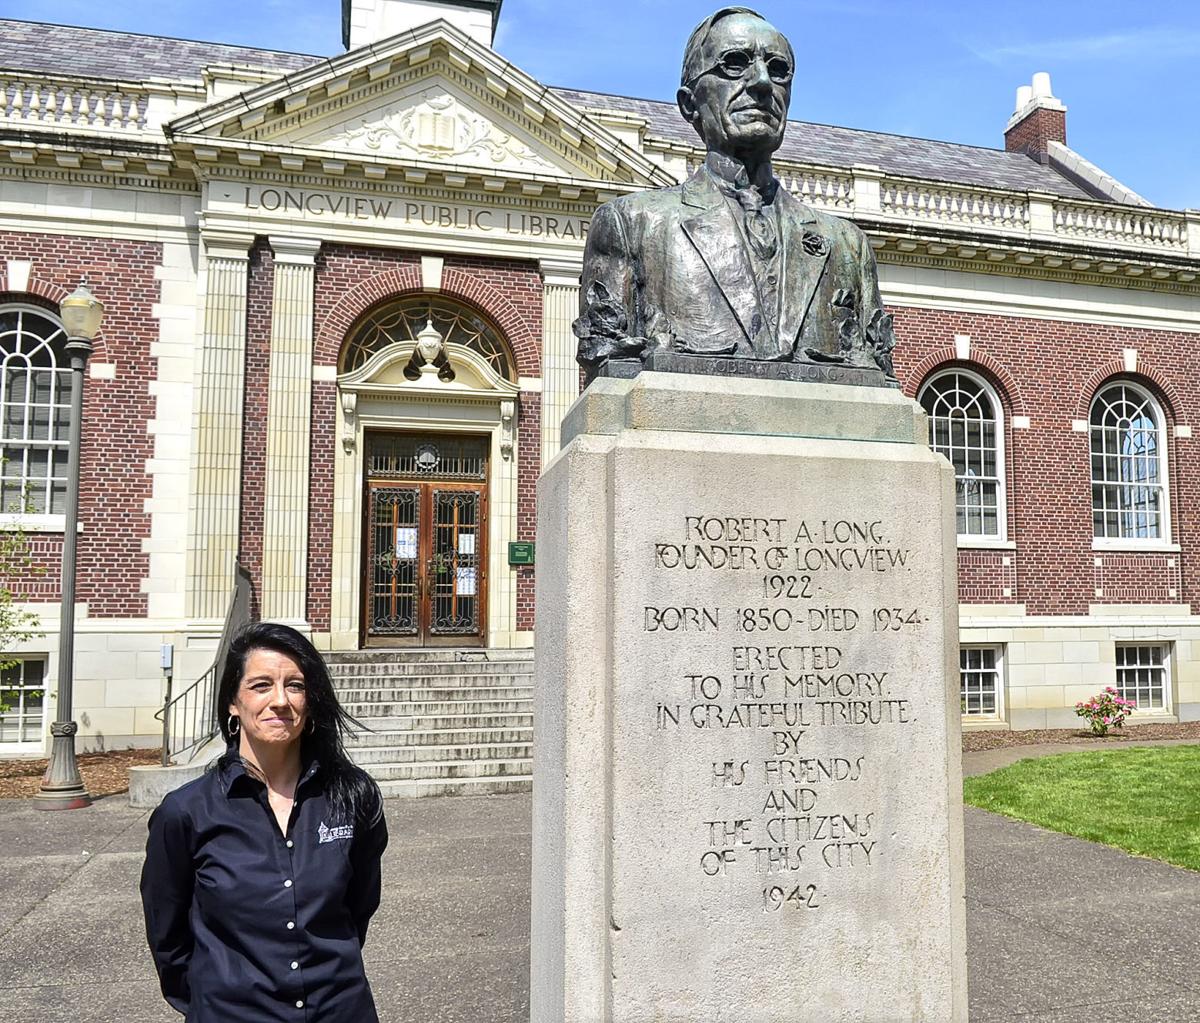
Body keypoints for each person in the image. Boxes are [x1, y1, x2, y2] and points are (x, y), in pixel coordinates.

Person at [573, 6, 896, 382]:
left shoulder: (846, 245)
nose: (761, 82)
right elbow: (610, 363)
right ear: (689, 104)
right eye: (734, 63)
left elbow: (877, 380)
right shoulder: (632, 225)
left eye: (778, 70)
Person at [140, 622, 388, 1021]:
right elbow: (168, 937)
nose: (280, 701)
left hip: (338, 1010)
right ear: (232, 703)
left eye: (295, 685)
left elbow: (359, 905)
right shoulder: (186, 812)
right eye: (260, 686)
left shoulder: (351, 797)